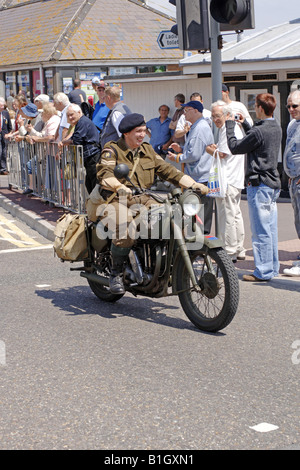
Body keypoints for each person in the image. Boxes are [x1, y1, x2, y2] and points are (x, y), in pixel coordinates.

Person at [94, 113, 209, 294]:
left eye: (143, 131)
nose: (142, 135)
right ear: (126, 133)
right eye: (137, 131)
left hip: (144, 198)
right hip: (116, 199)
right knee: (126, 228)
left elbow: (169, 171)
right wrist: (119, 187)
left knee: (172, 217)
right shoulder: (112, 149)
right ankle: (116, 273)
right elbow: (105, 174)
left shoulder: (147, 150)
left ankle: (162, 265)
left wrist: (193, 184)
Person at [225, 93, 282, 282]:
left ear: (259, 108)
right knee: (270, 229)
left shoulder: (259, 131)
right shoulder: (275, 126)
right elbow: (258, 142)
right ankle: (272, 268)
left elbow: (235, 147)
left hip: (259, 184)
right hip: (272, 183)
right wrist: (245, 124)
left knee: (260, 231)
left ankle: (263, 271)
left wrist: (230, 126)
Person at [206, 101, 246, 262]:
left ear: (227, 115)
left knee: (227, 215)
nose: (216, 119)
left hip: (227, 179)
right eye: (213, 116)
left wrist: (209, 149)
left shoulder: (227, 129)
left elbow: (222, 153)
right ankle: (239, 247)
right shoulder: (236, 128)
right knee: (235, 214)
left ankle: (229, 250)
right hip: (235, 177)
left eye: (218, 115)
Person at [168, 100, 214, 234]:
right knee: (196, 214)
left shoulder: (200, 128)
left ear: (196, 111)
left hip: (200, 178)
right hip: (198, 176)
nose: (184, 113)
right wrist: (181, 148)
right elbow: (194, 149)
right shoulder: (196, 126)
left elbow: (194, 154)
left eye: (187, 110)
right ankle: (197, 246)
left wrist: (177, 157)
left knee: (200, 216)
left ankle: (200, 250)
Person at [58, 103, 100, 194]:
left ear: (79, 112)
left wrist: (65, 142)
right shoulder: (80, 122)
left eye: (72, 114)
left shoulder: (82, 122)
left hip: (92, 155)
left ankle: (96, 206)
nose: (70, 117)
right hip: (89, 156)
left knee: (93, 184)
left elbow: (77, 140)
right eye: (68, 115)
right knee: (89, 183)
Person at [282, 89, 300, 277]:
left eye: (295, 106)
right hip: (293, 180)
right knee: (298, 221)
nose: (291, 109)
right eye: (288, 106)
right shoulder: (293, 125)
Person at [0, 97, 12, 175]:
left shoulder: (5, 113)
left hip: (4, 135)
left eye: (2, 106)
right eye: (0, 106)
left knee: (4, 152)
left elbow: (9, 125)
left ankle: (3, 168)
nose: (2, 107)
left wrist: (9, 133)